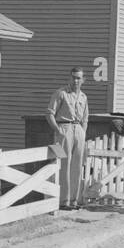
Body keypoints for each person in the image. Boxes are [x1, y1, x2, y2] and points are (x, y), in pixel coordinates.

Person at [46, 67, 89, 209]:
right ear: (69, 78)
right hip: (64, 128)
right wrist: (58, 130)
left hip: (78, 130)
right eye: (73, 77)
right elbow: (50, 114)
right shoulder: (61, 93)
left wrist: (83, 131)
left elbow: (85, 117)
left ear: (83, 80)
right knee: (65, 165)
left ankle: (74, 200)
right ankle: (64, 201)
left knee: (77, 165)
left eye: (79, 78)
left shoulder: (83, 97)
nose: (76, 81)